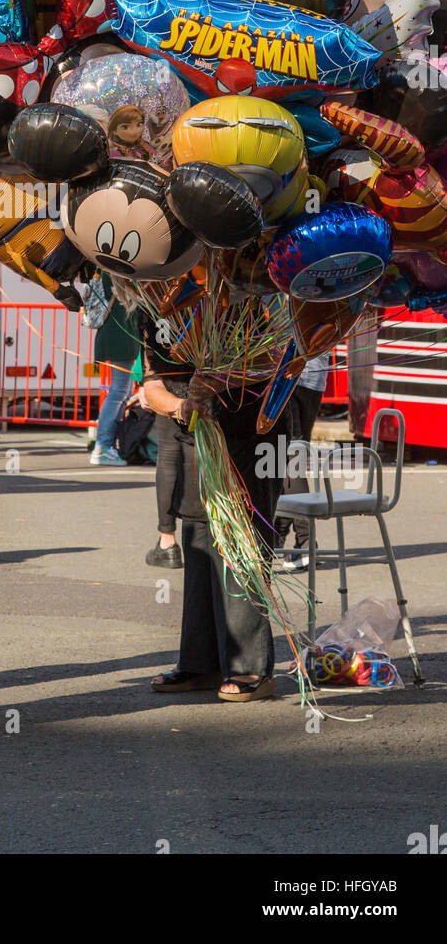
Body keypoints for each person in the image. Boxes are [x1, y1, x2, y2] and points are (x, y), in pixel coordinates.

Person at [138, 311, 288, 703]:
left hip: (250, 430)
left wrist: (216, 384)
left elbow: (276, 361)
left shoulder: (244, 291)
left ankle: (249, 666)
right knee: (199, 540)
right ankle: (200, 661)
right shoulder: (148, 304)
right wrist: (179, 406)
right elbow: (152, 382)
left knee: (239, 544)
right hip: (193, 431)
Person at [275, 352, 330, 571]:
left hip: (286, 371)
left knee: (286, 459)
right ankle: (282, 537)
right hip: (315, 376)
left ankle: (305, 540)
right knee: (283, 459)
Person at [90, 273, 139, 467]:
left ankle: (106, 444)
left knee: (122, 391)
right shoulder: (118, 273)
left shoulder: (104, 270)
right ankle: (103, 445)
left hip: (117, 335)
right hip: (121, 336)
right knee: (119, 391)